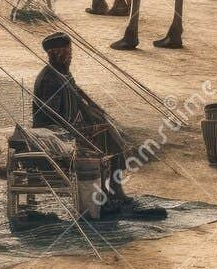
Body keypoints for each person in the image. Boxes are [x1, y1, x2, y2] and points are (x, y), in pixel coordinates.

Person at [31, 32, 147, 212]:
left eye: (70, 51)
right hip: (53, 132)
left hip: (67, 127)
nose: (70, 56)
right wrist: (79, 130)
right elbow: (51, 115)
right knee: (101, 139)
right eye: (66, 52)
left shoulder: (62, 70)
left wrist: (94, 107)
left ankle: (115, 190)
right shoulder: (49, 78)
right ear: (54, 53)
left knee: (106, 129)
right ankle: (107, 192)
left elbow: (76, 91)